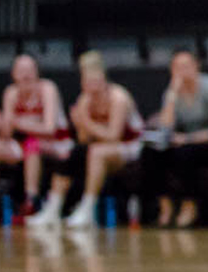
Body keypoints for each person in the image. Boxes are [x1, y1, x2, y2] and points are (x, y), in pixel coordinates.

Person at [144, 49, 208, 229]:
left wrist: (187, 138)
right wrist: (172, 95)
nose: (182, 71)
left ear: (196, 66)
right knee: (151, 152)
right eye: (177, 67)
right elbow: (165, 129)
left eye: (186, 66)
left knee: (185, 153)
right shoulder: (172, 92)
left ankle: (189, 205)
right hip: (183, 140)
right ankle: (165, 206)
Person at [56, 51, 143, 231]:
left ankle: (87, 208)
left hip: (132, 146)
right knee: (73, 153)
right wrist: (79, 124)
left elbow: (114, 136)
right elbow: (83, 139)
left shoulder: (118, 97)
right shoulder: (84, 100)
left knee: (96, 152)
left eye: (95, 81)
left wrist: (86, 121)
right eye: (87, 81)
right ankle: (53, 207)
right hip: (102, 148)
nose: (91, 86)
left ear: (104, 80)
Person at [3, 54, 71, 229]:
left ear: (37, 72)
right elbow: (7, 132)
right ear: (13, 74)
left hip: (58, 143)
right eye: (21, 70)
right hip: (26, 144)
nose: (25, 75)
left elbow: (49, 129)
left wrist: (18, 123)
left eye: (29, 70)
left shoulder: (47, 88)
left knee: (32, 144)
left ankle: (31, 199)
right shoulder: (11, 93)